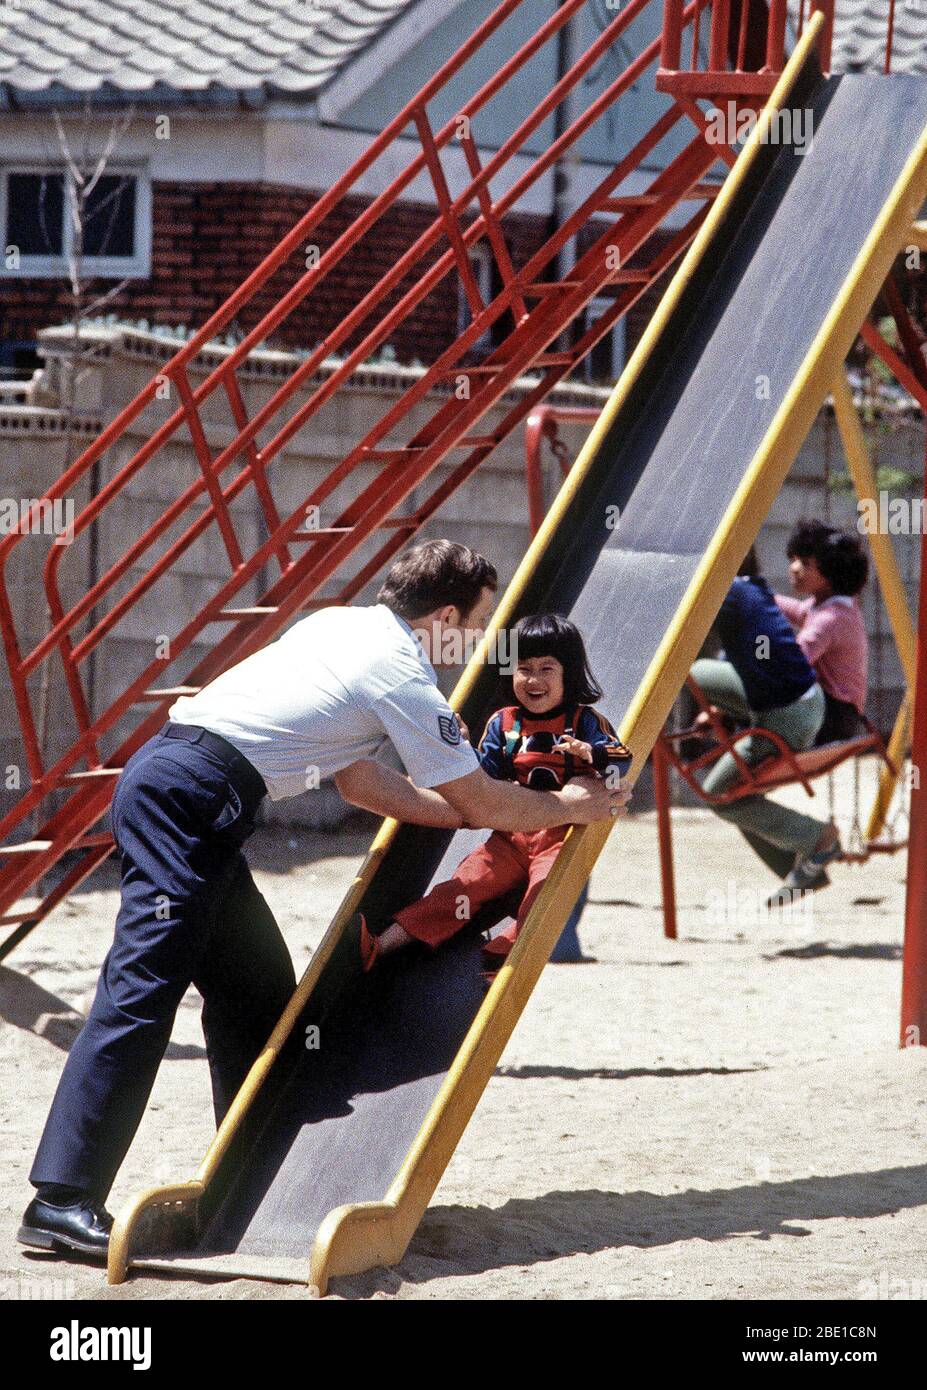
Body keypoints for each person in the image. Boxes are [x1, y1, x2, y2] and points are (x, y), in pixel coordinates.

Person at [19, 542, 629, 1260]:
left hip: (187, 793)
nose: (475, 640)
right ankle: (60, 1198)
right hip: (188, 800)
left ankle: (246, 1175)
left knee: (256, 989)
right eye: (476, 621)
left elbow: (365, 787)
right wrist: (569, 803)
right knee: (141, 991)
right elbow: (475, 797)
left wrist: (471, 808)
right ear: (441, 616)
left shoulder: (336, 627)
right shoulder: (399, 672)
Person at [358, 613, 632, 979]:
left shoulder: (584, 721)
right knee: (461, 889)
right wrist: (461, 747)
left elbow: (622, 758)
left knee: (545, 890)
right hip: (510, 835)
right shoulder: (504, 723)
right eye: (524, 669)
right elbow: (483, 779)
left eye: (546, 669)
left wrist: (591, 754)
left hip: (558, 835)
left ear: (569, 673)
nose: (533, 680)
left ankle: (504, 948)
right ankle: (381, 945)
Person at [689, 547, 840, 907]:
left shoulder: (730, 592)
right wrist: (721, 707)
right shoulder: (751, 590)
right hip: (797, 706)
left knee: (686, 668)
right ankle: (803, 868)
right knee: (724, 793)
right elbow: (744, 659)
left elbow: (683, 637)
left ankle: (818, 838)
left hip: (786, 716)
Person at [775, 520, 869, 745]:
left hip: (835, 716)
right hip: (838, 710)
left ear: (831, 571)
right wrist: (763, 595)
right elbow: (797, 611)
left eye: (805, 563)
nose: (795, 568)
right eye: (793, 560)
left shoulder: (831, 619)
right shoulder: (831, 606)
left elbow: (794, 661)